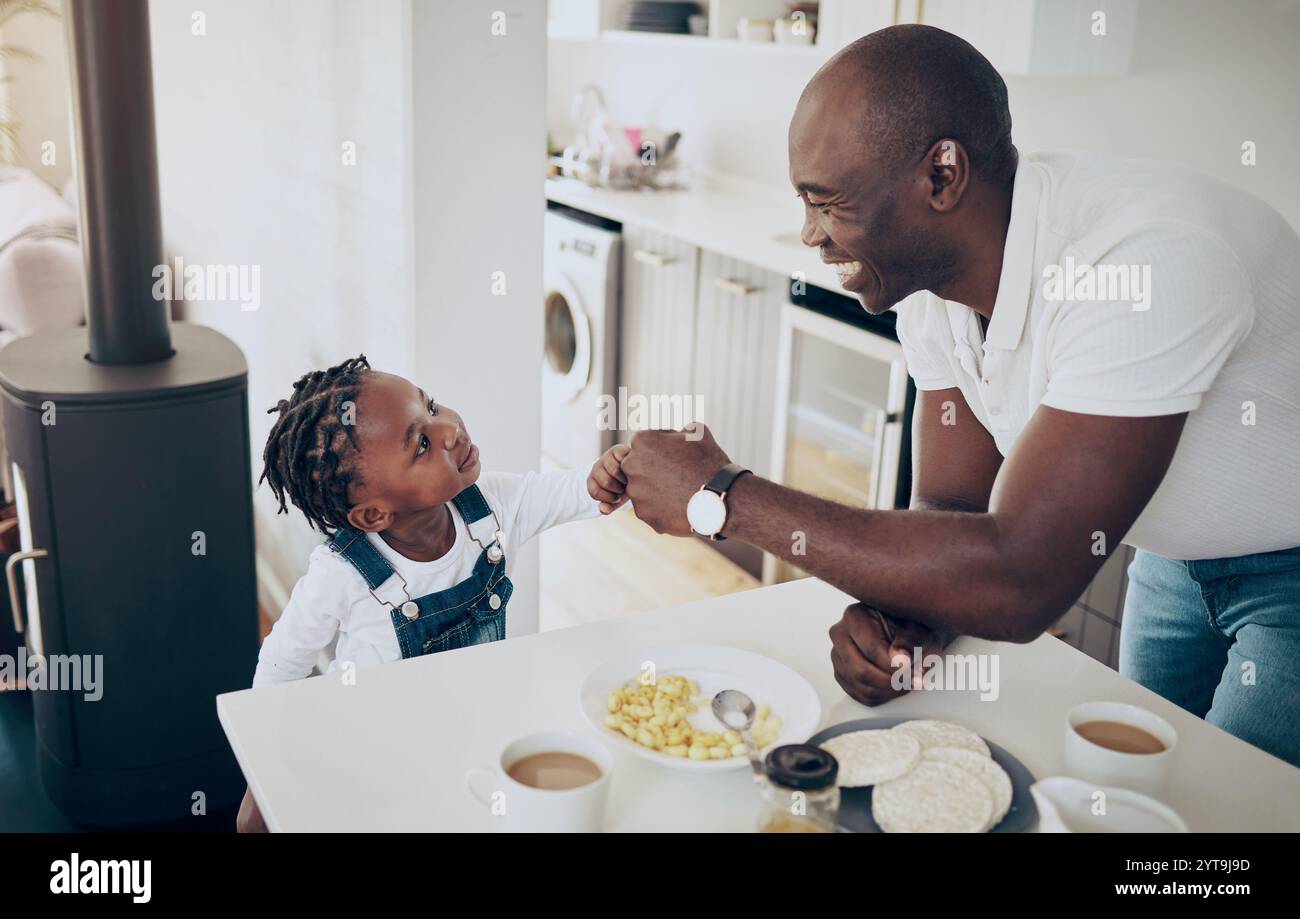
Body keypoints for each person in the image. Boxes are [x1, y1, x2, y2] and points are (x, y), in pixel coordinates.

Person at [620, 25, 1300, 768]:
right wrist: (909, 624)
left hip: (1288, 581)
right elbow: (951, 504)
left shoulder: (1143, 261)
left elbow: (1023, 574)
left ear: (942, 175)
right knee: (1150, 793)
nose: (810, 234)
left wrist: (724, 495)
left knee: (1241, 814)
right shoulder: (929, 284)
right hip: (1167, 559)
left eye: (828, 203)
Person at [237, 355, 630, 830]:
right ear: (374, 516)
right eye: (422, 443)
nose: (449, 429)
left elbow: (576, 492)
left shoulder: (493, 505)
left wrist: (607, 475)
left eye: (432, 405)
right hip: (375, 750)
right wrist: (260, 774)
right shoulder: (340, 574)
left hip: (476, 724)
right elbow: (283, 663)